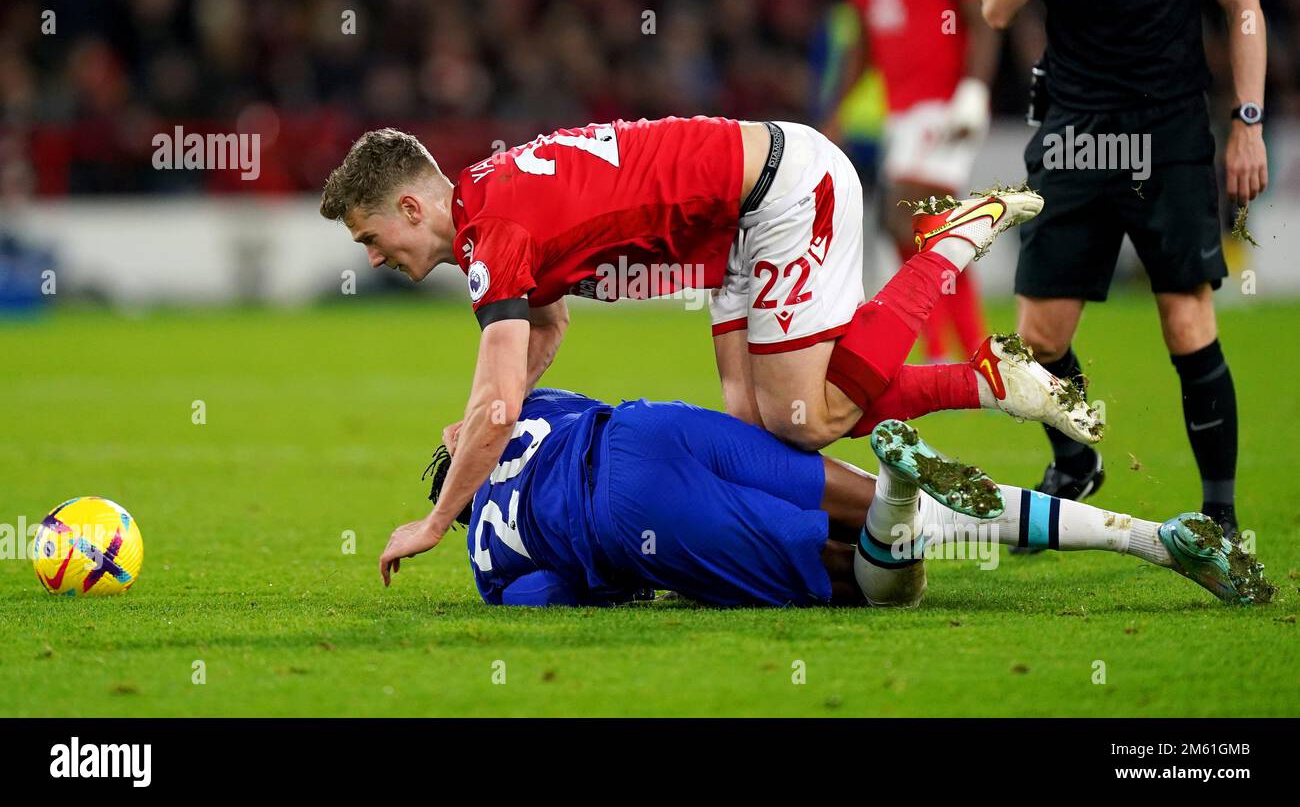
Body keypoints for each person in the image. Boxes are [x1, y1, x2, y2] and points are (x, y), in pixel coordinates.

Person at [320, 118, 1102, 566]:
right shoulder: (491, 201)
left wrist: (433, 521)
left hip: (782, 192)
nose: (372, 256)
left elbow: (497, 403)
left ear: (414, 207)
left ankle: (948, 247)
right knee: (763, 427)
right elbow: (546, 330)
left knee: (807, 416)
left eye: (371, 234)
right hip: (730, 235)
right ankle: (988, 380)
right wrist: (488, 419)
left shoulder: (492, 236)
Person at [979, 0, 1268, 534]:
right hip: (1074, 133)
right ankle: (1075, 460)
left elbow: (1243, 4)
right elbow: (995, 7)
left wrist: (1247, 118)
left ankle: (1220, 518)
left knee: (1187, 323)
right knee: (1036, 340)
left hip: (1166, 132)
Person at [393, 387, 1272, 609]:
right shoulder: (518, 415)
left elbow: (562, 594)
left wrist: (628, 576)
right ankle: (1152, 537)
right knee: (884, 507)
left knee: (863, 581)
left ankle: (898, 495)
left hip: (631, 515)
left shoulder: (482, 557)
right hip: (648, 428)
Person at [831, 0, 1000, 361]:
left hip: (947, 102)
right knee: (924, 225)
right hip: (902, 107)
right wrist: (836, 109)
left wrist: (974, 90)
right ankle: (966, 348)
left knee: (906, 213)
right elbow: (863, 37)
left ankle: (948, 346)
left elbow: (980, 15)